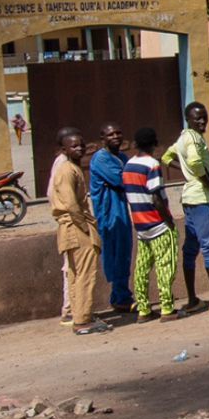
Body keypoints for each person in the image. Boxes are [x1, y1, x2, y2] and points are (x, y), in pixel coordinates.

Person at [162, 102, 209, 313]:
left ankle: (193, 298)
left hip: (189, 198)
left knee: (191, 248)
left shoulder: (182, 138)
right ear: (188, 119)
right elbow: (195, 162)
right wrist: (205, 179)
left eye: (204, 117)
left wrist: (185, 172)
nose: (202, 121)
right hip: (202, 198)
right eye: (198, 118)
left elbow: (167, 157)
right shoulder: (193, 138)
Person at [50, 128, 109, 335]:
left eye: (81, 144)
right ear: (64, 149)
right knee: (84, 274)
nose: (79, 148)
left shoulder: (73, 168)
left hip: (74, 226)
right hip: (75, 227)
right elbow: (72, 204)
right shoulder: (66, 170)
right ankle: (83, 321)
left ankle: (81, 315)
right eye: (74, 146)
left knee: (77, 274)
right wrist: (85, 227)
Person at [122, 126, 179, 321]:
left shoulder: (128, 165)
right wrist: (169, 220)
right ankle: (167, 308)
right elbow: (155, 197)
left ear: (136, 144)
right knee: (165, 265)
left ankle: (144, 309)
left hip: (140, 225)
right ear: (155, 144)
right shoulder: (152, 165)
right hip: (157, 223)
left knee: (142, 268)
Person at [88, 122, 135, 315]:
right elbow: (122, 180)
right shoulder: (101, 159)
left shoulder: (122, 157)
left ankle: (120, 296)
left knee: (124, 253)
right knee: (115, 254)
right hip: (109, 214)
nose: (115, 136)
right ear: (103, 139)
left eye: (118, 132)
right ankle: (121, 296)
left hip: (122, 211)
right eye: (110, 134)